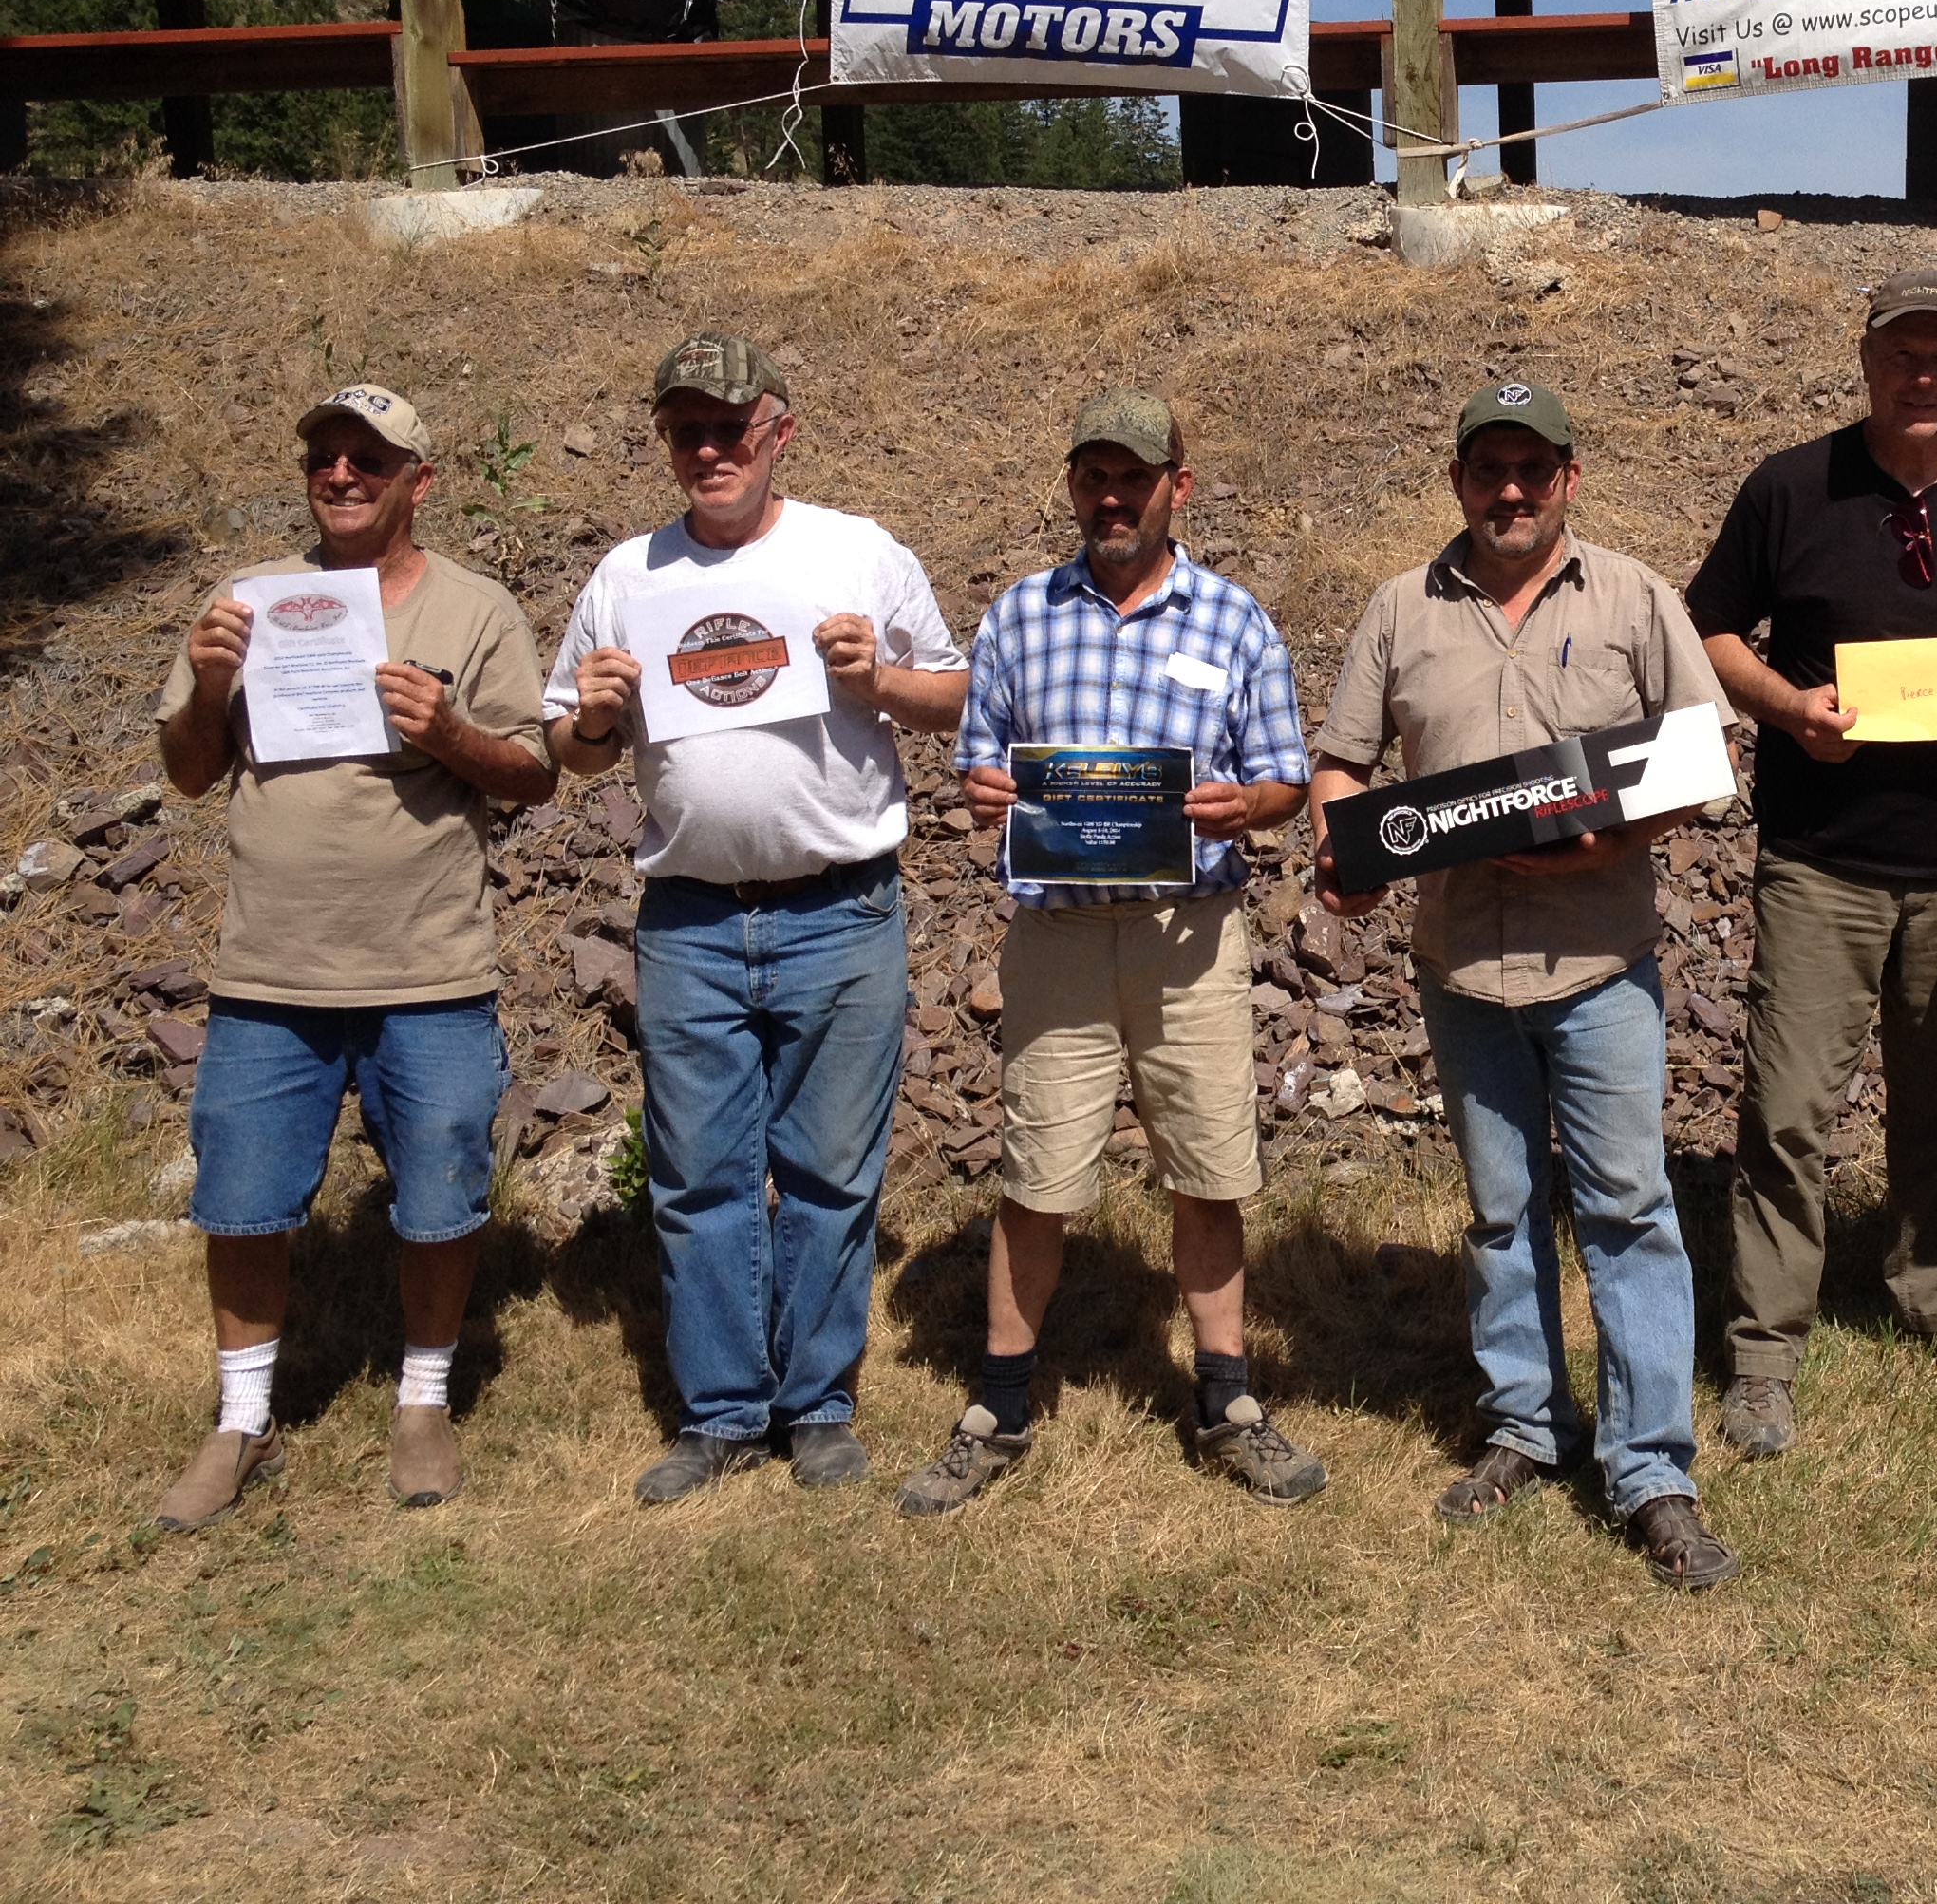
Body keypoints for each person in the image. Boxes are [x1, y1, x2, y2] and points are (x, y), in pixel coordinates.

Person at [1311, 384, 1741, 1588]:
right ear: (1458, 478)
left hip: (1600, 964)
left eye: (1533, 469)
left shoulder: (1633, 597)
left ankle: (1652, 1470)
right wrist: (1343, 853)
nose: (1511, 490)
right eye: (1489, 468)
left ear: (1569, 478)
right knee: (1502, 1212)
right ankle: (1525, 1427)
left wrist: (1618, 840)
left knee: (1627, 1211)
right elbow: (1343, 763)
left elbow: (1700, 756)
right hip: (1461, 969)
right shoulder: (1402, 607)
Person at [544, 333, 968, 1505]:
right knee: (697, 1176)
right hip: (687, 919)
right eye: (688, 430)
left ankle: (818, 1403)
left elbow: (959, 695)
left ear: (781, 431)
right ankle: (722, 1409)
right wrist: (592, 718)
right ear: (666, 443)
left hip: (840, 912)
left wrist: (878, 680)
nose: (710, 448)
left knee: (831, 1173)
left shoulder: (857, 551)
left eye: (732, 426)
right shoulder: (626, 577)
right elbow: (568, 755)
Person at [1687, 270, 1937, 1457]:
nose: (1922, 375)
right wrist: (1785, 704)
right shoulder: (1791, 487)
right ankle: (1765, 1351)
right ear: (1865, 360)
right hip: (1822, 859)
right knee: (1786, 1107)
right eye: (1900, 353)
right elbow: (1712, 626)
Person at [895, 391, 1326, 1515]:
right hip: (1060, 939)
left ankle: (1226, 1398)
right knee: (1038, 1176)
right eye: (1092, 473)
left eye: (1133, 474)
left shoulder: (1234, 620)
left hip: (1192, 938)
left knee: (1211, 1170)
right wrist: (985, 789)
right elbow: (979, 767)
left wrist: (1251, 807)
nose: (1111, 494)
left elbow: (1284, 775)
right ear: (1075, 483)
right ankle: (998, 1404)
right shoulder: (1018, 617)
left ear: (1177, 486)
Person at [151, 384, 557, 1528]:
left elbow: (533, 772)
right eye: (325, 458)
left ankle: (422, 1399)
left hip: (428, 967)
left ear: (416, 483)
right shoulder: (250, 606)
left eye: (368, 462)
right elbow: (187, 772)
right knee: (241, 1198)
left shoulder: (477, 613)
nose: (341, 476)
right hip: (269, 973)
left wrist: (449, 733)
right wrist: (213, 682)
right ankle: (240, 1422)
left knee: (438, 1191)